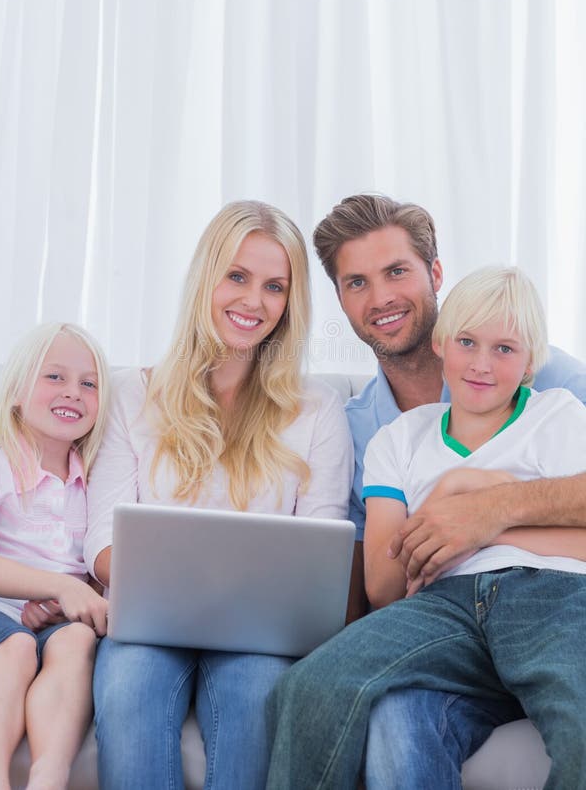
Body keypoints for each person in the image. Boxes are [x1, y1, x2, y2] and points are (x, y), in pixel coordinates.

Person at [266, 266, 586, 789]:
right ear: (440, 342)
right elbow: (387, 586)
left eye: (505, 349)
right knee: (307, 686)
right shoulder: (398, 440)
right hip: (443, 606)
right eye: (467, 341)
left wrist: (484, 521)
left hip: (552, 596)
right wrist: (445, 496)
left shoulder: (559, 417)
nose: (482, 364)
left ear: (531, 362)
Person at [82, 200, 353, 790]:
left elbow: (322, 545)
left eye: (274, 286)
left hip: (260, 634)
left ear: (290, 302)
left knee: (258, 702)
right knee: (128, 694)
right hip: (149, 624)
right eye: (237, 276)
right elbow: (101, 538)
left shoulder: (317, 410)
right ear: (206, 277)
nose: (253, 302)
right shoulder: (132, 395)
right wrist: (155, 583)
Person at [0, 322, 110, 790]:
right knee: (13, 647)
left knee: (77, 641)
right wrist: (58, 585)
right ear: (16, 391)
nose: (73, 392)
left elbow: (94, 573)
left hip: (49, 621)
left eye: (89, 383)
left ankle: (48, 778)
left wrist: (71, 599)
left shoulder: (94, 479)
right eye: (54, 377)